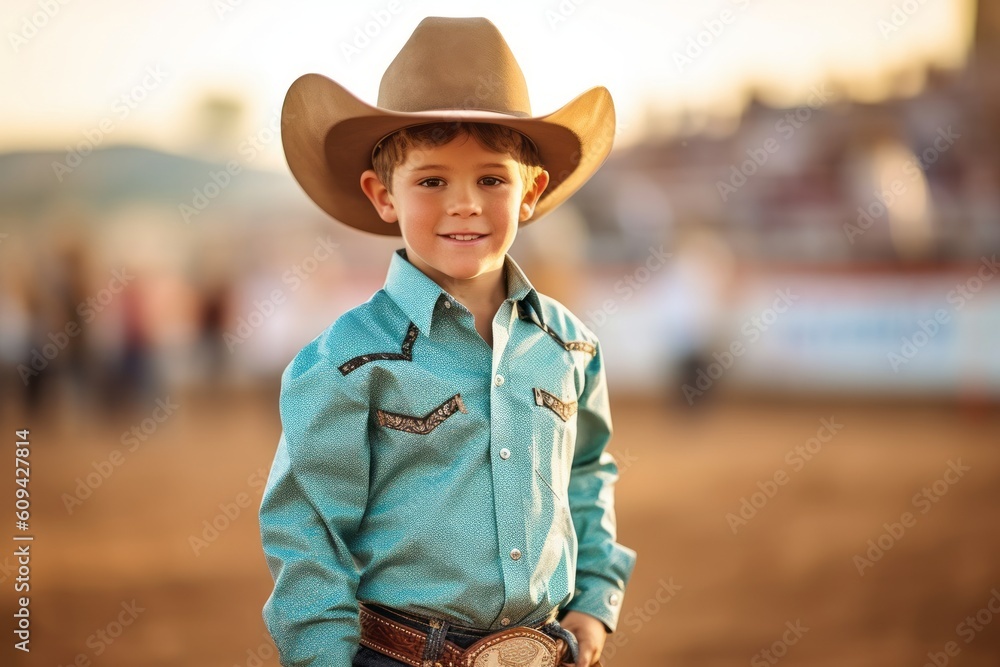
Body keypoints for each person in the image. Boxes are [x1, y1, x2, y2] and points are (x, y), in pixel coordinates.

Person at [259, 16, 636, 667]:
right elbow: (309, 534)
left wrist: (595, 603)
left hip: (547, 650)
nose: (464, 204)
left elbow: (588, 473)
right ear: (383, 195)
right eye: (432, 180)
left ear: (530, 193)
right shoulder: (346, 362)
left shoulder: (571, 348)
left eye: (491, 179)